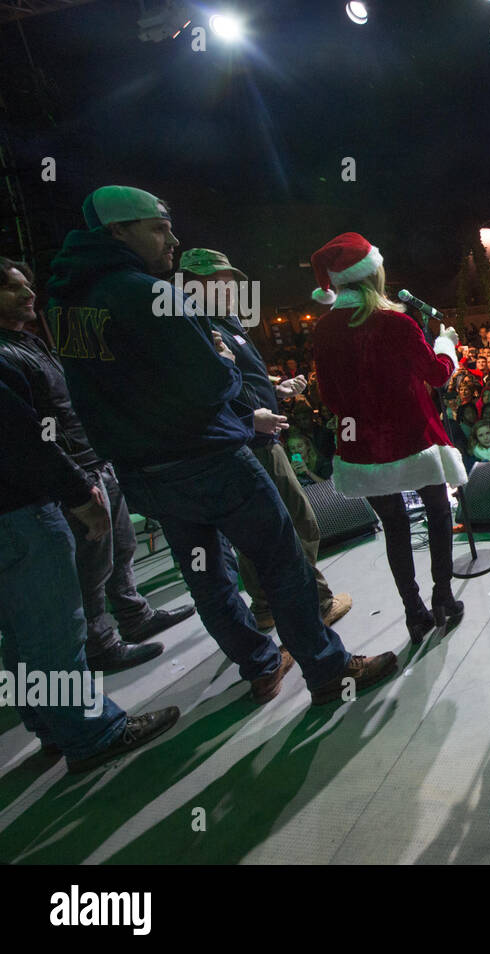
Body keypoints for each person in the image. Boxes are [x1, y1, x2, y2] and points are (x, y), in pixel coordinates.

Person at [48, 187, 395, 707]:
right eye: (159, 227)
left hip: (144, 469)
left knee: (207, 578)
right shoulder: (145, 292)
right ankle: (327, 669)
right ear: (117, 231)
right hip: (208, 457)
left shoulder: (65, 305)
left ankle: (259, 664)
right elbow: (212, 382)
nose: (173, 238)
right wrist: (227, 373)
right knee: (282, 559)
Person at [0, 257, 190, 673]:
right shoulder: (6, 354)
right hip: (75, 474)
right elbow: (30, 435)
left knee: (121, 547)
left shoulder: (27, 341)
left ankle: (134, 616)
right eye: (13, 288)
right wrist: (75, 484)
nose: (29, 293)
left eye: (27, 285)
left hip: (94, 463)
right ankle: (101, 645)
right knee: (89, 567)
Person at [0, 369, 181, 773]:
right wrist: (77, 491)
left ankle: (50, 725)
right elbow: (21, 432)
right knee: (54, 636)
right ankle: (92, 734)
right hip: (17, 514)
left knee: (18, 636)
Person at [180, 248, 352, 633]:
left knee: (260, 533)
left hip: (253, 438)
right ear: (192, 284)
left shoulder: (224, 321)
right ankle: (314, 603)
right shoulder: (194, 326)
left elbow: (238, 377)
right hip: (249, 444)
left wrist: (276, 388)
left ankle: (266, 606)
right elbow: (197, 393)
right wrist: (247, 417)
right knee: (298, 524)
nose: (229, 288)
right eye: (219, 282)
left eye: (230, 281)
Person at [308, 232, 466, 645]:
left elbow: (328, 396)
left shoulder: (324, 331)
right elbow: (437, 374)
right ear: (372, 273)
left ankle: (413, 612)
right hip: (414, 437)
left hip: (362, 446)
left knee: (394, 526)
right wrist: (446, 344)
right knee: (438, 511)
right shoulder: (396, 322)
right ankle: (443, 597)